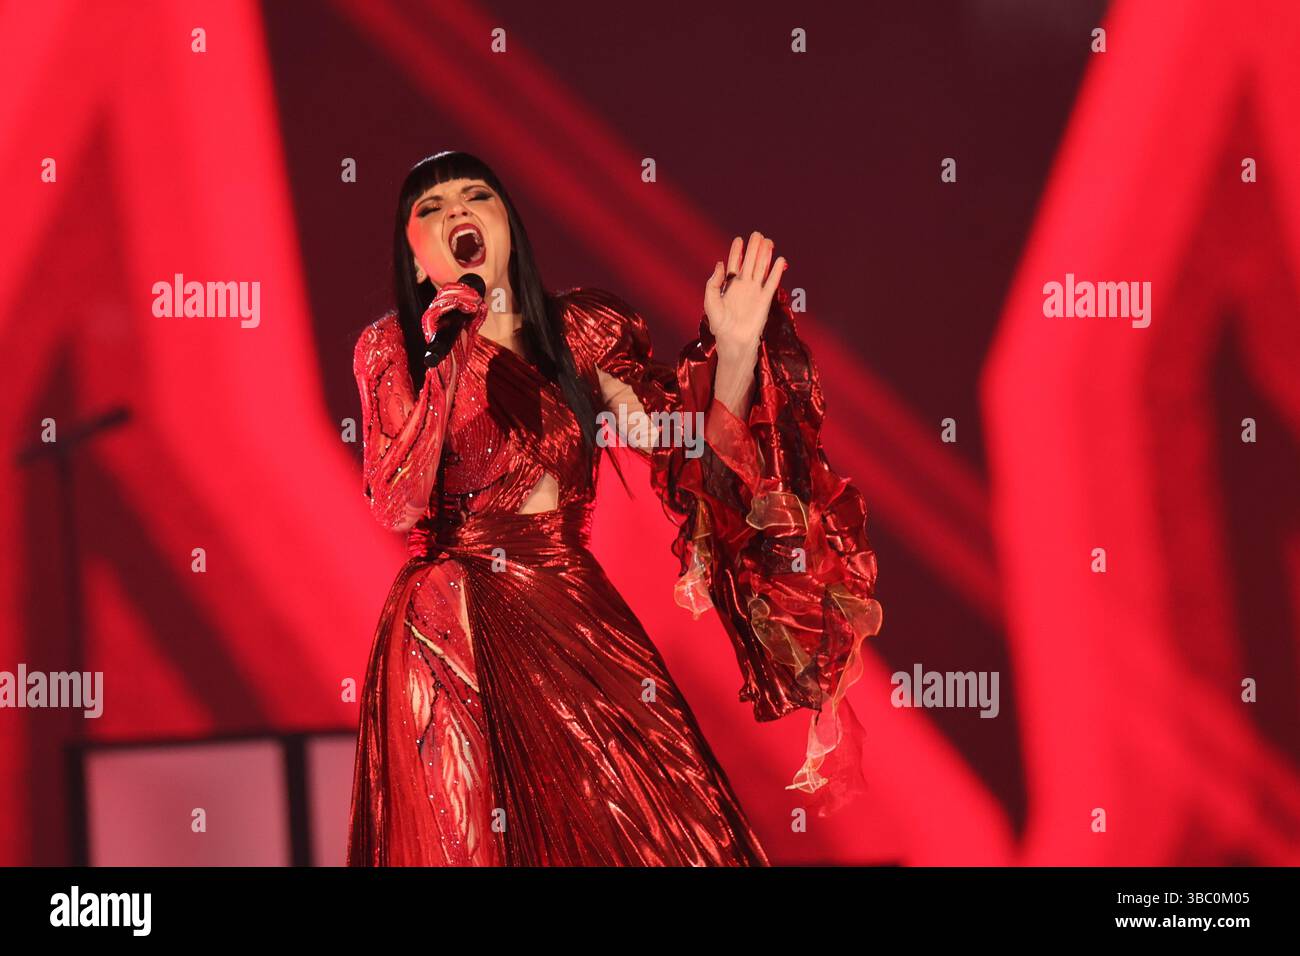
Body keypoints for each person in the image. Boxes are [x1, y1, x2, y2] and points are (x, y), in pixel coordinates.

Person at [346, 150, 882, 866]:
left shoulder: (578, 334)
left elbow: (677, 443)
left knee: (671, 818)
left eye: (477, 196)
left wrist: (736, 350)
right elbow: (395, 499)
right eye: (431, 208)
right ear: (415, 260)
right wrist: (444, 360)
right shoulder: (394, 349)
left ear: (509, 227)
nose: (457, 212)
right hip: (449, 627)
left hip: (568, 605)